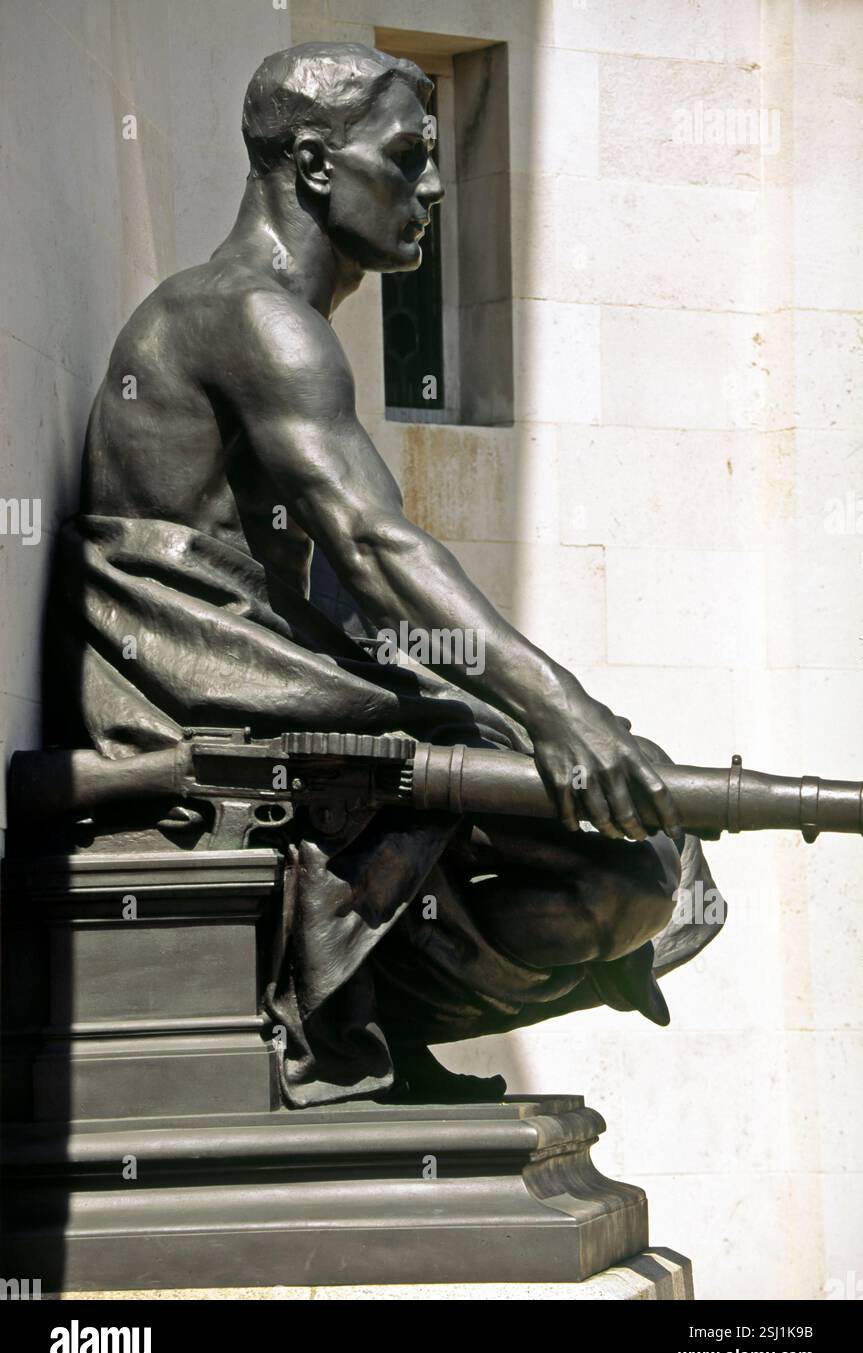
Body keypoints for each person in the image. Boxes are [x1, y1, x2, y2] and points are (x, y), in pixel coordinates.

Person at [50, 43, 723, 1106]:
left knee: (638, 880)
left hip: (279, 684)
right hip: (215, 708)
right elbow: (373, 551)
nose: (434, 187)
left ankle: (372, 1024)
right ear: (316, 164)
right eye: (408, 156)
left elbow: (343, 584)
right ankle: (345, 1023)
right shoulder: (249, 318)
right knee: (614, 857)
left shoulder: (274, 322)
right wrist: (562, 711)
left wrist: (521, 713)